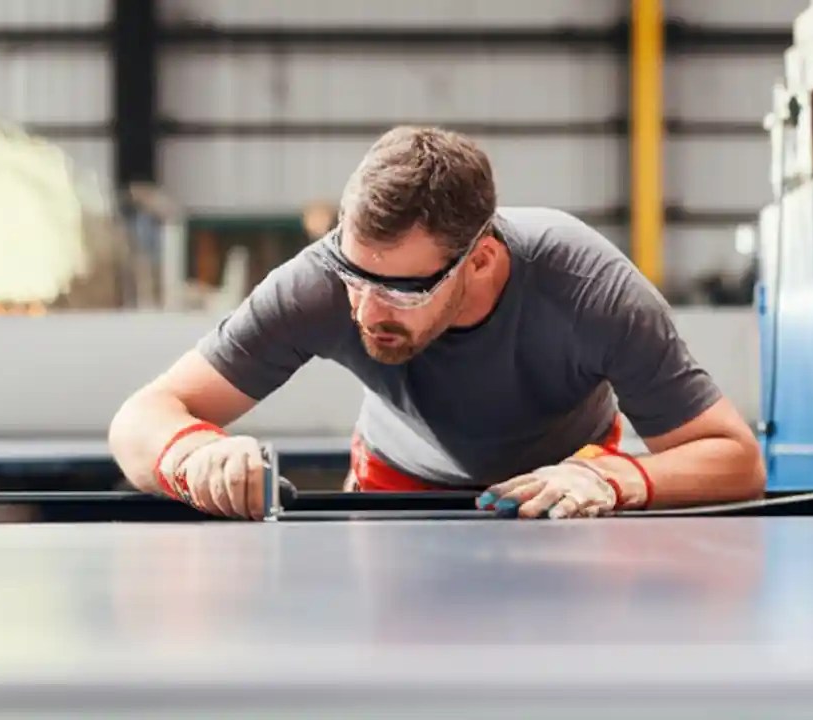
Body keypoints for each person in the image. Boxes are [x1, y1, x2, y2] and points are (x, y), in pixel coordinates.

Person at [108, 126, 765, 521]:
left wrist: (614, 479)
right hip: (394, 482)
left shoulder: (587, 289)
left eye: (400, 288)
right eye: (353, 274)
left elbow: (736, 459)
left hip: (574, 485)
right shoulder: (323, 283)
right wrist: (192, 456)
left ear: (479, 259)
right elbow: (141, 417)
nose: (365, 310)